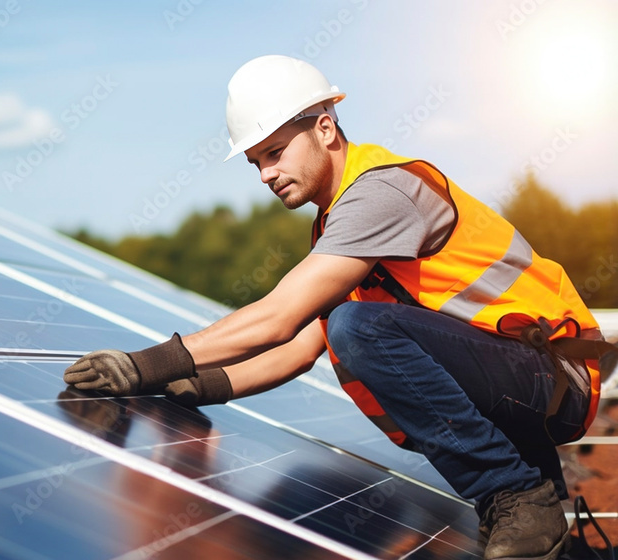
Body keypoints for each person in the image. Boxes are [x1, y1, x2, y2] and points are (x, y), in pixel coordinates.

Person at [63, 55, 614, 560]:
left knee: (357, 326)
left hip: (554, 376)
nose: (265, 175)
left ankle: (517, 493)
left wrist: (148, 364)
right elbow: (302, 347)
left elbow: (282, 315)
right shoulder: (336, 228)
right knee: (351, 327)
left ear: (325, 127)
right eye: (255, 161)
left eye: (275, 153)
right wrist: (202, 385)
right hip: (514, 385)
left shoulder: (381, 193)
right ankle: (524, 509)